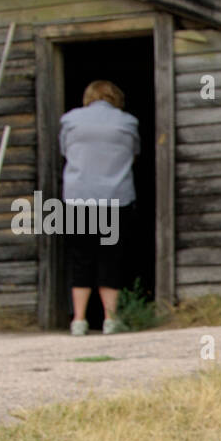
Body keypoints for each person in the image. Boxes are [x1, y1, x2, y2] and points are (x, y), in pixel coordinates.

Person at [60, 79, 139, 335]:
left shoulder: (71, 120)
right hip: (115, 198)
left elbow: (64, 150)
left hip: (77, 197)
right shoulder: (127, 123)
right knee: (110, 257)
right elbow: (135, 152)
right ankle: (110, 319)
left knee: (80, 257)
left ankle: (79, 320)